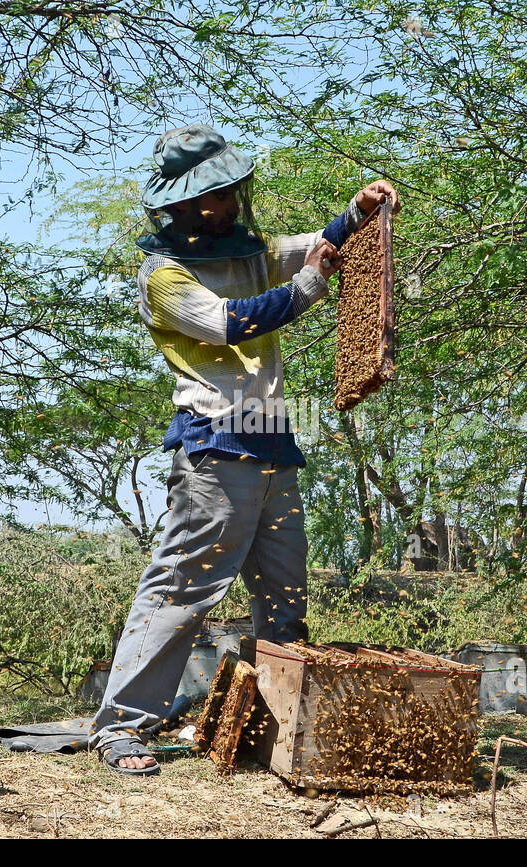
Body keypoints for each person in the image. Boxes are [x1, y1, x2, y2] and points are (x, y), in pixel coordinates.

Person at [91, 124, 400, 774]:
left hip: (273, 450)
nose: (231, 205)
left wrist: (356, 212)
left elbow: (317, 248)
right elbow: (233, 323)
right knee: (182, 590)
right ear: (185, 205)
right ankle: (121, 729)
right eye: (218, 196)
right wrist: (313, 282)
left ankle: (277, 729)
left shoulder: (251, 254)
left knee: (284, 599)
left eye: (233, 191)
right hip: (214, 447)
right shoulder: (163, 276)